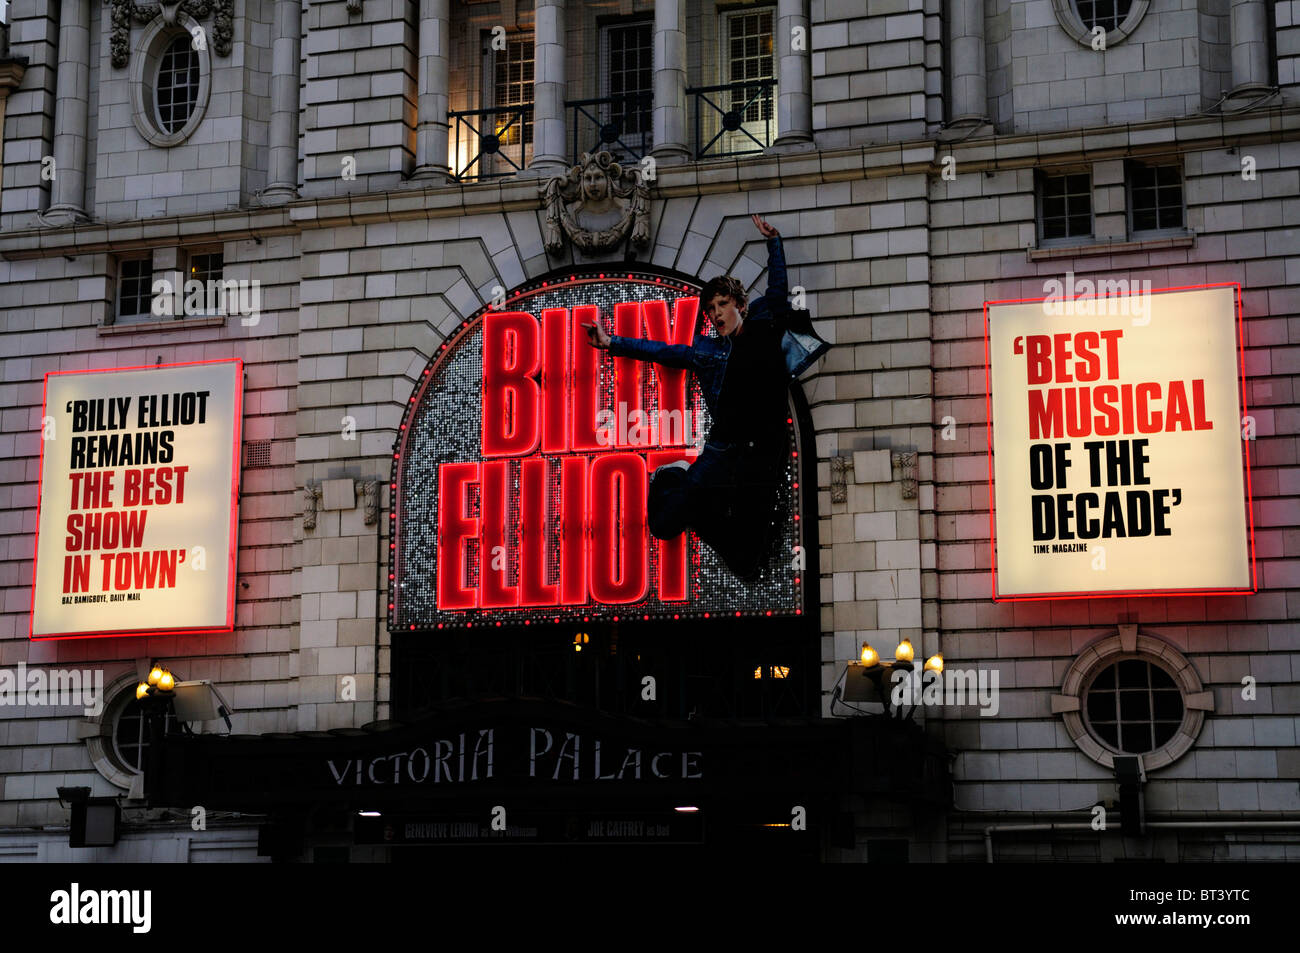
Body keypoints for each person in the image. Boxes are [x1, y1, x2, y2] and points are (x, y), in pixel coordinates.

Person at [583, 214, 829, 580]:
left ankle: (710, 504)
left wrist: (773, 243)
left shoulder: (764, 323)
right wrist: (611, 342)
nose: (716, 315)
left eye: (722, 305)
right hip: (722, 451)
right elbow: (666, 351)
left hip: (762, 454)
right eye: (710, 310)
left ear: (740, 304)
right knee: (664, 524)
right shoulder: (710, 353)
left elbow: (777, 288)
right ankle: (672, 477)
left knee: (747, 564)